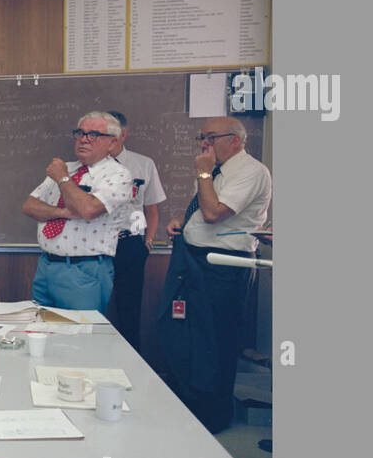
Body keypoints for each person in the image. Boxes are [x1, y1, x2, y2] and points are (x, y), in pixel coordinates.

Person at [158, 117, 270, 433]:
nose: (203, 144)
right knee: (184, 334)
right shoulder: (215, 170)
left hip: (224, 266)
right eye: (201, 137)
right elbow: (201, 210)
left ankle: (212, 417)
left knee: (215, 342)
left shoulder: (250, 171)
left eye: (211, 137)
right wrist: (181, 219)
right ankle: (188, 406)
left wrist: (203, 172)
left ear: (235, 140)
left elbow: (214, 213)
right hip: (193, 259)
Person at [21, 113, 133, 313]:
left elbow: (88, 210)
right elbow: (29, 206)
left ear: (112, 142)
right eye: (80, 133)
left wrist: (63, 179)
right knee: (42, 331)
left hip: (84, 269)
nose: (84, 139)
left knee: (79, 338)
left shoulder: (119, 175)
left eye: (94, 135)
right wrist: (62, 211)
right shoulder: (68, 169)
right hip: (46, 265)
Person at [104, 110, 165, 350]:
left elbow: (152, 209)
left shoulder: (143, 164)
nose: (106, 138)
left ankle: (132, 368)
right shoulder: (87, 166)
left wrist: (146, 243)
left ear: (124, 134)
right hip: (94, 244)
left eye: (112, 132)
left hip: (130, 244)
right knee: (93, 309)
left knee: (129, 311)